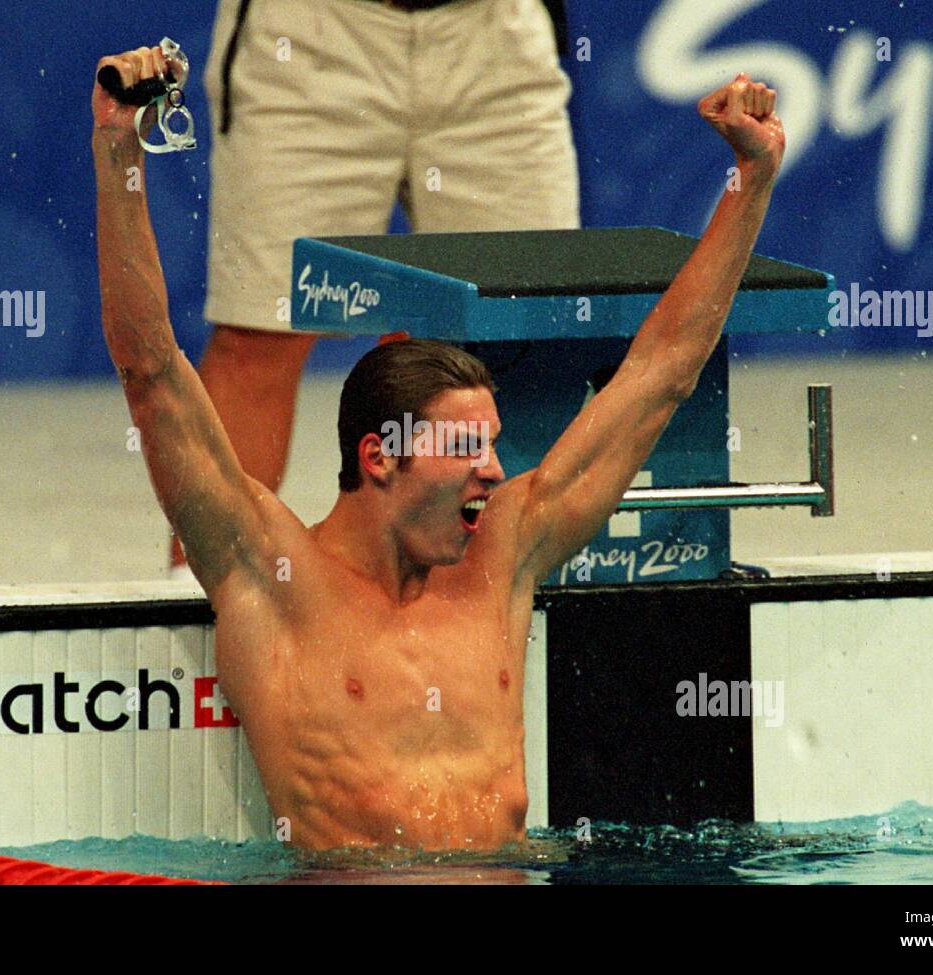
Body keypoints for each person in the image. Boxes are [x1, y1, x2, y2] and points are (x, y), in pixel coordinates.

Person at [92, 45, 784, 850]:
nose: (495, 467)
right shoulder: (271, 573)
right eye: (466, 444)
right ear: (381, 455)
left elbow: (661, 371)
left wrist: (751, 180)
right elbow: (150, 369)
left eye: (492, 443)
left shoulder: (505, 552)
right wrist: (120, 149)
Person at [171, 0, 581, 576]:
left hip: (494, 36)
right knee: (259, 332)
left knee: (522, 334)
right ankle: (204, 603)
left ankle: (518, 602)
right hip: (311, 39)